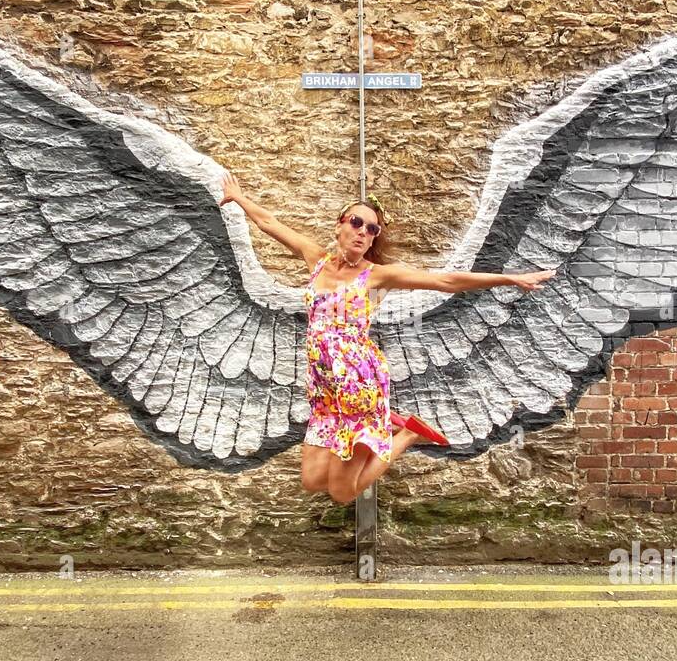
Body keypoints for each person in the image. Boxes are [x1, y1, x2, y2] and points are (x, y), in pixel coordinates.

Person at [219, 170, 555, 504]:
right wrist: (238, 197)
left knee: (341, 494)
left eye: (372, 229)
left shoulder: (377, 276)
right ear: (339, 225)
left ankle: (406, 434)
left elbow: (446, 282)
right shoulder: (316, 260)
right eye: (356, 222)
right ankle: (391, 425)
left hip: (356, 383)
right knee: (311, 480)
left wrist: (510, 280)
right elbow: (270, 224)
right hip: (323, 388)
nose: (363, 232)